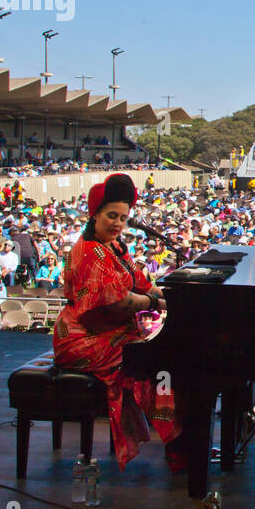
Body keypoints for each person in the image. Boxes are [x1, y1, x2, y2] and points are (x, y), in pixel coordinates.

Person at [51, 173, 183, 472]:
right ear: (94, 213)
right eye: (112, 216)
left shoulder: (115, 247)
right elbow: (119, 303)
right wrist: (157, 303)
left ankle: (177, 436)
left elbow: (143, 286)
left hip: (108, 331)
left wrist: (178, 298)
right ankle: (176, 443)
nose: (118, 224)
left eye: (123, 218)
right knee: (155, 363)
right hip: (82, 337)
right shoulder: (89, 251)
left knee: (162, 359)